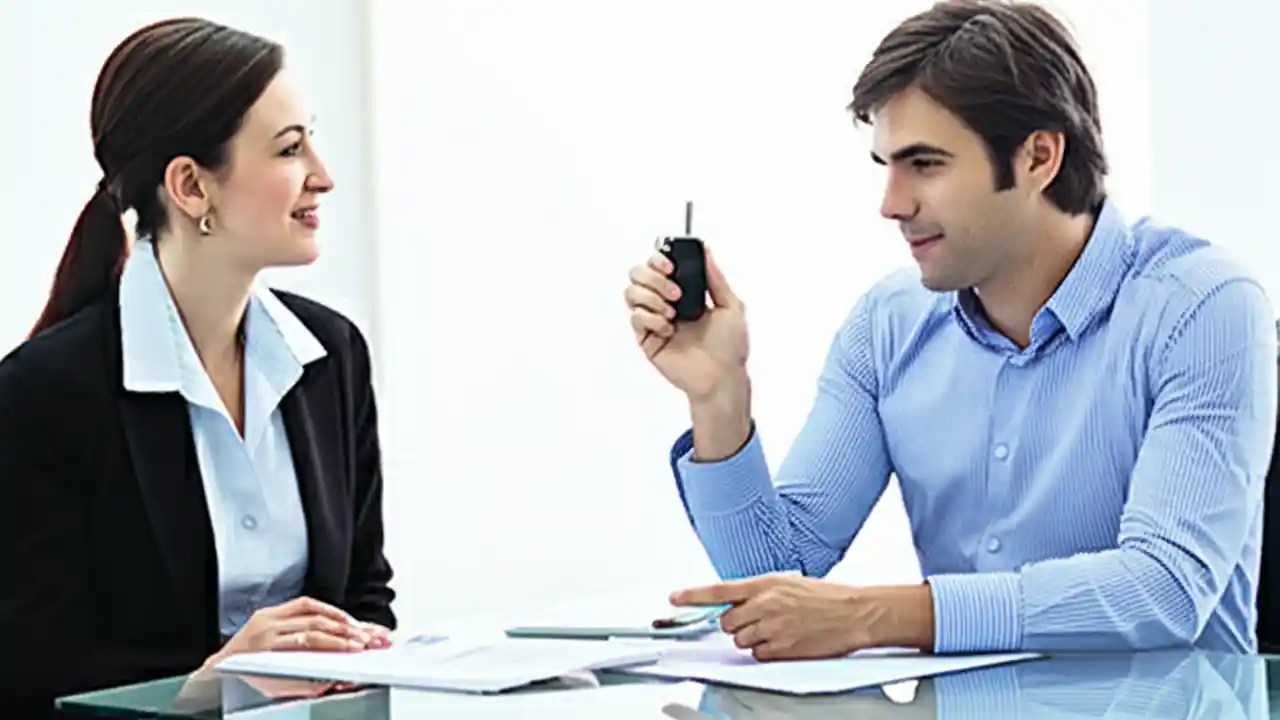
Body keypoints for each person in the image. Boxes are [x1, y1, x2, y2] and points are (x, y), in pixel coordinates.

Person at [625, 0, 1276, 660]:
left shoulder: (1202, 307)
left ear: (1038, 157)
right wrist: (719, 402)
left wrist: (878, 615)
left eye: (926, 164)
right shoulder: (887, 327)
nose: (892, 204)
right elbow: (777, 576)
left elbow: (1165, 588)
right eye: (887, 166)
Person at [0, 18, 395, 711]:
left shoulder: (333, 356)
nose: (324, 177)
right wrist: (207, 684)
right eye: (289, 149)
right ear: (190, 186)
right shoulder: (41, 396)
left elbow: (366, 592)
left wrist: (362, 649)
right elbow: (31, 674)